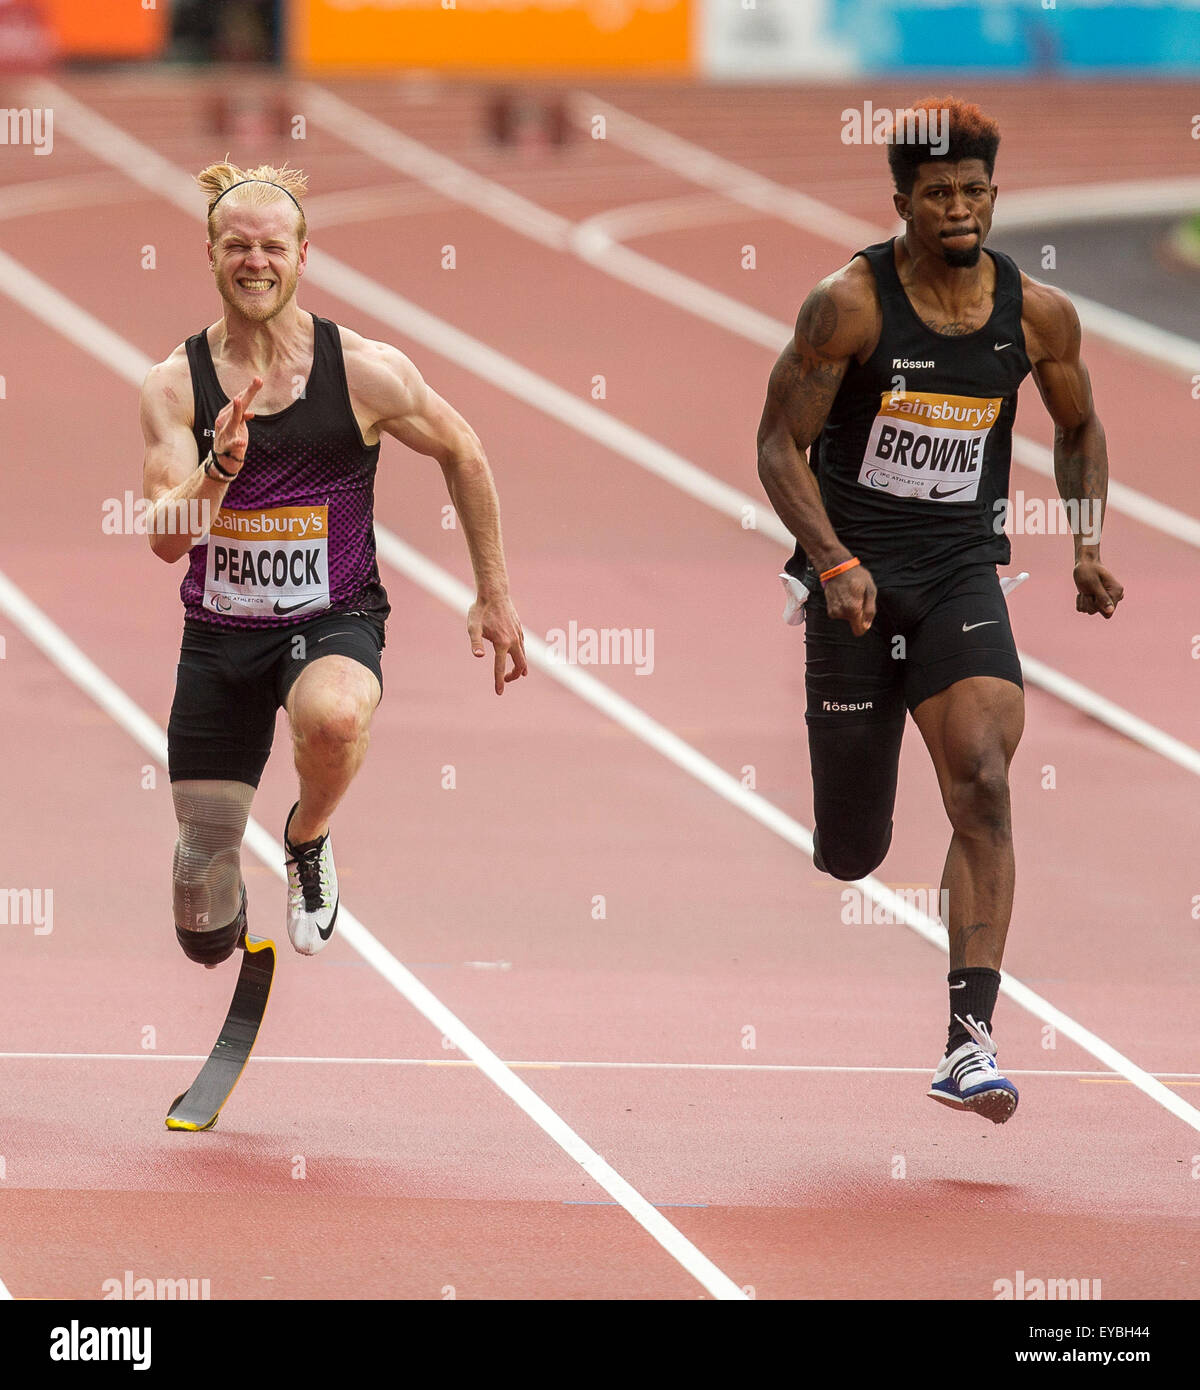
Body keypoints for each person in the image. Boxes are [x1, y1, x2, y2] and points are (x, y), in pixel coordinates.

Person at [756, 99, 1123, 1123]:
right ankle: (854, 812)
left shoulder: (1038, 314)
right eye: (937, 196)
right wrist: (830, 562)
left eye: (973, 193)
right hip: (858, 583)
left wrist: (1086, 540)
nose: (958, 211)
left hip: (963, 570)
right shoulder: (850, 305)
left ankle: (971, 1039)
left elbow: (1082, 427)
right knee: (852, 851)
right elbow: (778, 445)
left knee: (987, 779)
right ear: (902, 203)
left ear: (994, 196)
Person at [139, 161, 527, 965]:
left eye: (273, 247)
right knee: (200, 914)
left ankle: (307, 837)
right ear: (210, 254)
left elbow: (464, 449)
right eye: (237, 246)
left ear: (304, 255)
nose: (256, 262)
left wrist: (493, 593)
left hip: (332, 618)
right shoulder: (176, 388)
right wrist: (217, 469)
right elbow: (166, 537)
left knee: (338, 715)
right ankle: (221, 896)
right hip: (218, 638)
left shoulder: (362, 370)